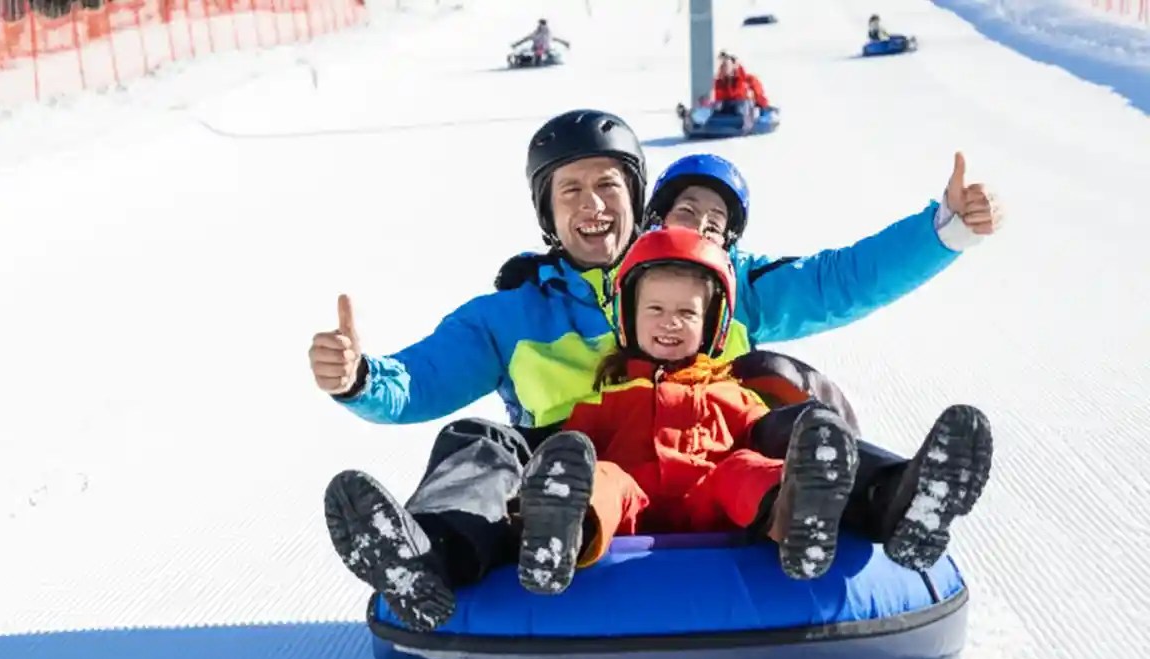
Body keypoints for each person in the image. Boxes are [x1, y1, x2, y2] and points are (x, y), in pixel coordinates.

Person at [312, 109, 1003, 632]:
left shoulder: (709, 279)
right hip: (572, 462)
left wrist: (942, 231)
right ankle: (428, 558)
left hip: (717, 453)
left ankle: (898, 501)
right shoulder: (511, 314)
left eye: (608, 186)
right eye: (570, 190)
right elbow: (424, 378)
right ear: (548, 213)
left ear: (634, 197)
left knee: (790, 415)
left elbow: (835, 281)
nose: (592, 205)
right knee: (480, 441)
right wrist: (362, 379)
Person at [515, 226, 993, 594]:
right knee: (599, 475)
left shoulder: (733, 392)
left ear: (712, 326)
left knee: (745, 468)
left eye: (687, 313)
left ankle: (801, 518)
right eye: (655, 310)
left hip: (718, 504)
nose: (669, 323)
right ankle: (563, 531)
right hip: (631, 509)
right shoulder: (608, 399)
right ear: (629, 318)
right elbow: (573, 451)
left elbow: (764, 439)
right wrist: (555, 472)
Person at [711, 52, 769, 130]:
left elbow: (758, 95)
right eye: (722, 66)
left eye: (726, 65)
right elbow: (717, 97)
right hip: (726, 109)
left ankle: (746, 123)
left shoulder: (747, 80)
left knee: (745, 103)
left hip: (743, 110)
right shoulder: (718, 82)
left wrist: (762, 106)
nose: (723, 68)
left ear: (734, 65)